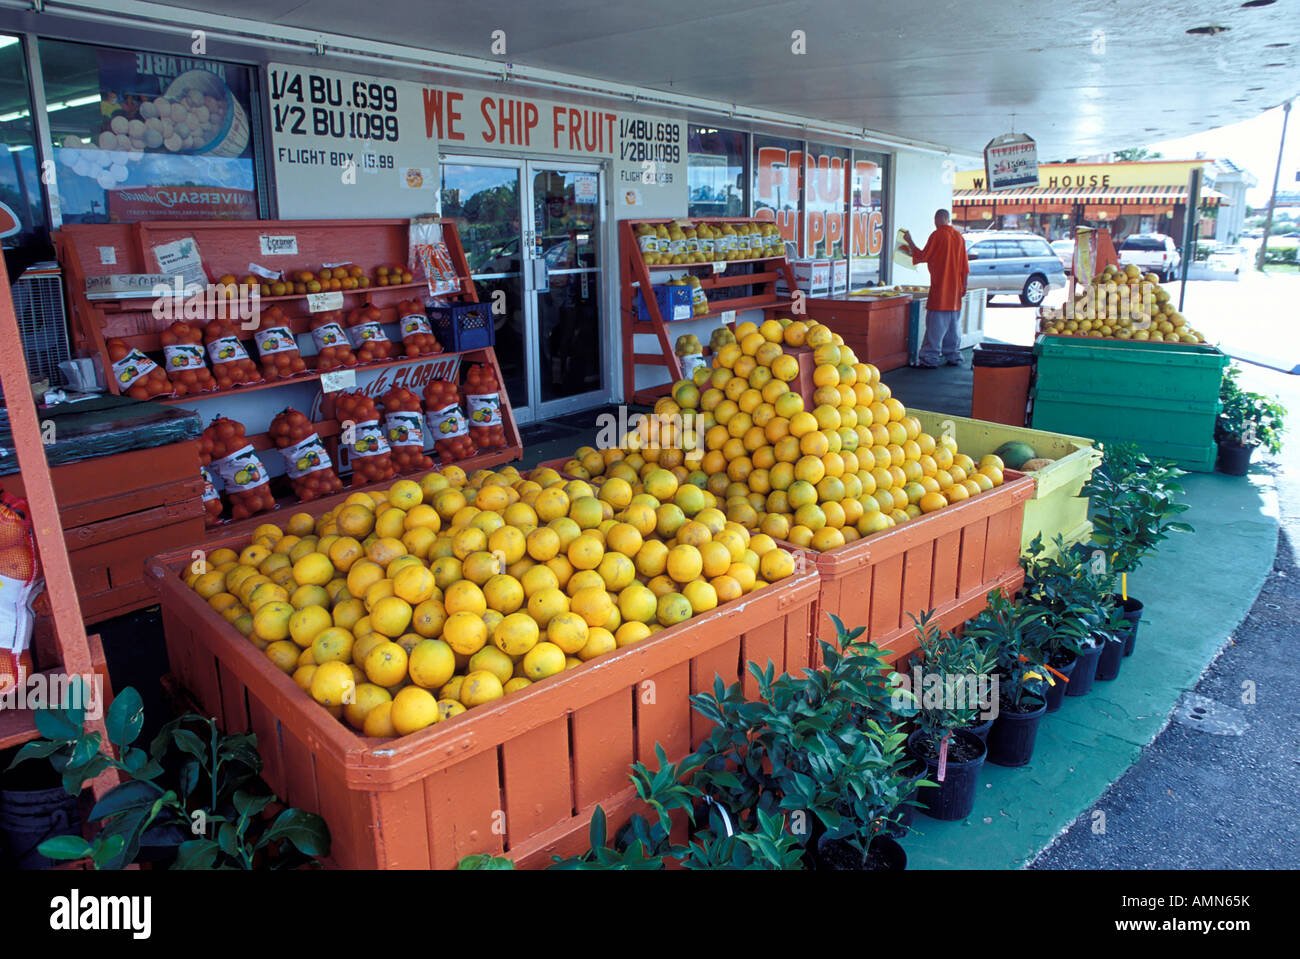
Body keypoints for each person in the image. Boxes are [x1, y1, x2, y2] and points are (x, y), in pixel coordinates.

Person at [902, 210, 970, 368]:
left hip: (941, 291)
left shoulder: (937, 235)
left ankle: (929, 358)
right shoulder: (959, 237)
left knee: (935, 327)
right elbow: (965, 267)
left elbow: (923, 256)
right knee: (953, 327)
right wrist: (964, 286)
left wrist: (910, 241)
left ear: (940, 219)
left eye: (935, 219)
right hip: (955, 292)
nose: (934, 222)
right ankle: (953, 355)